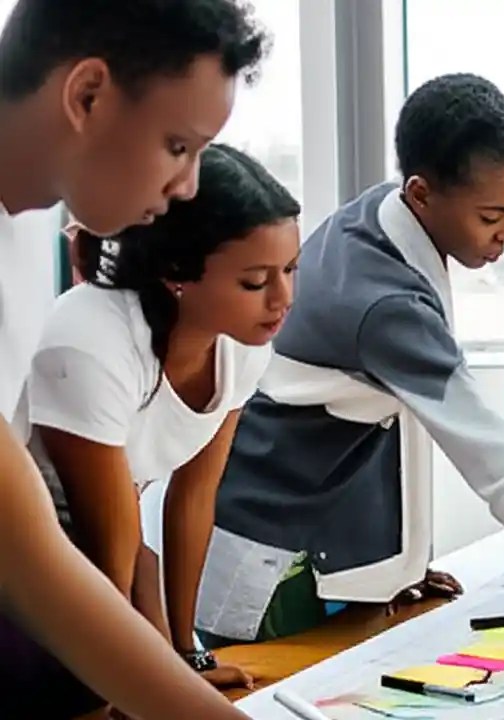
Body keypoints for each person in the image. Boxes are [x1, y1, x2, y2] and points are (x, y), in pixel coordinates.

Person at [201, 73, 504, 719]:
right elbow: (496, 460)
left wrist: (396, 566)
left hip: (329, 546)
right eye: (491, 216)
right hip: (277, 561)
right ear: (422, 194)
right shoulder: (383, 302)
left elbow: (381, 413)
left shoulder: (385, 216)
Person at [0, 1, 268, 718]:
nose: (188, 186)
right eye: (178, 146)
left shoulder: (25, 231)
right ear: (87, 95)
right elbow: (27, 546)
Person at [14, 143, 298, 698]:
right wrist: (129, 682)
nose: (283, 298)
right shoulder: (92, 340)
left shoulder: (241, 346)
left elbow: (193, 499)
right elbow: (109, 544)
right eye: (255, 281)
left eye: (290, 269)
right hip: (29, 553)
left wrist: (186, 652)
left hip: (98, 542)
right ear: (178, 274)